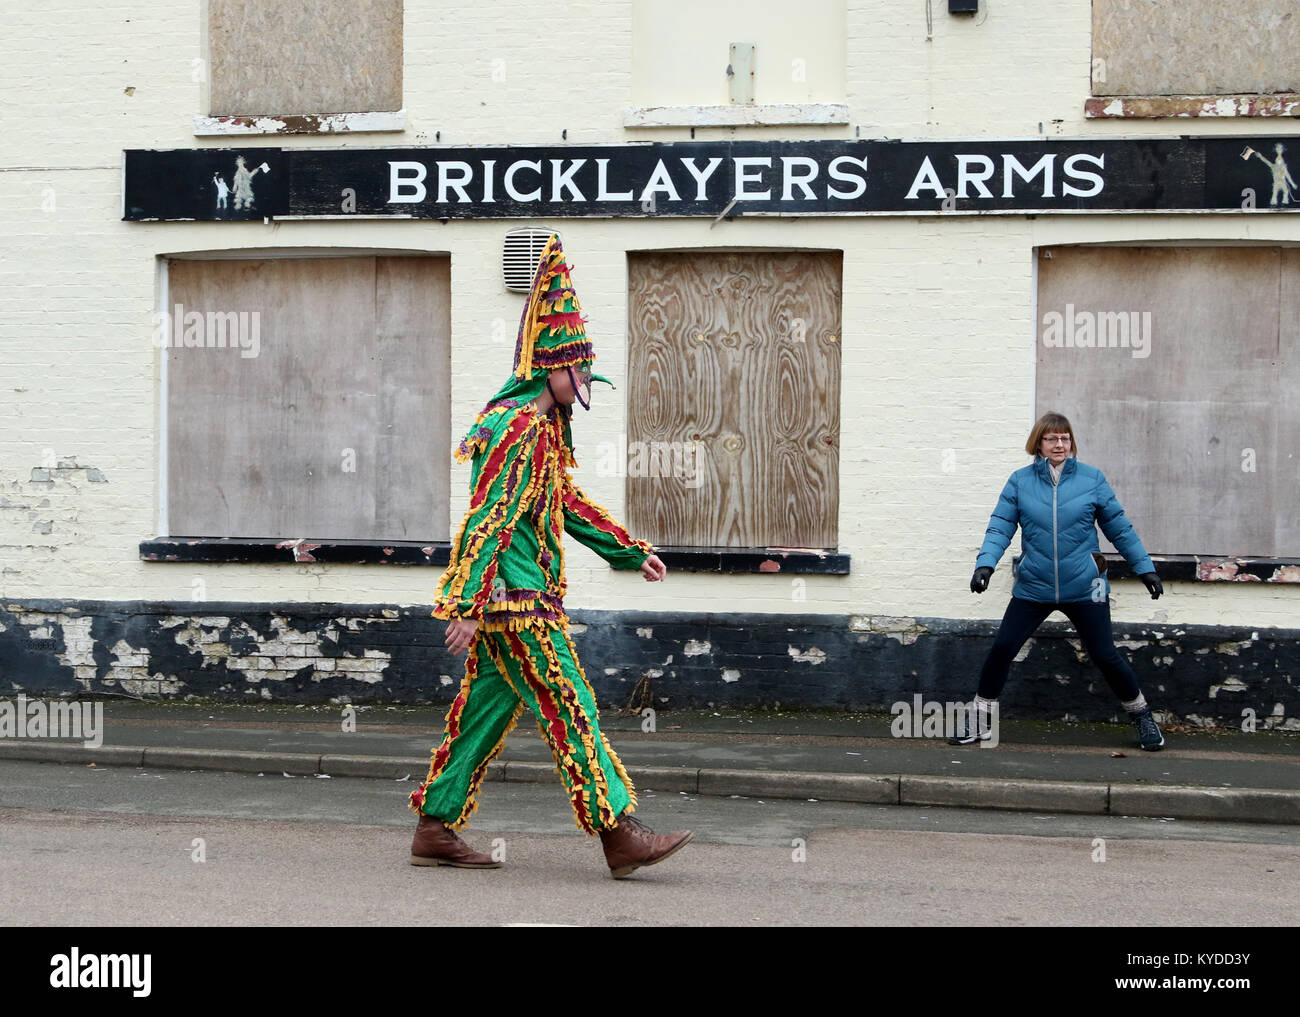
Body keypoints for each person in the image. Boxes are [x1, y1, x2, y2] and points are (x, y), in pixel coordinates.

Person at [408, 234, 693, 878]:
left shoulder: (538, 432)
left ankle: (435, 824)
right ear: (550, 368)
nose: (587, 379)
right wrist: (466, 603)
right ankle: (620, 833)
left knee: (486, 708)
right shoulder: (516, 428)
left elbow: (562, 503)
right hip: (516, 603)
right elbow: (489, 518)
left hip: (514, 598)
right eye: (579, 369)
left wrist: (627, 551)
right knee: (571, 703)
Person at [953, 411, 1166, 750]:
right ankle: (979, 721)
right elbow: (1000, 526)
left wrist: (1144, 568)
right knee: (1003, 648)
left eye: (1065, 438)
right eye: (1052, 438)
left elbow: (1119, 527)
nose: (1060, 444)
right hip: (1034, 585)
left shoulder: (1092, 479)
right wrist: (985, 565)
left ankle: (1142, 717)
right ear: (1038, 443)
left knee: (1105, 654)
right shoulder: (1020, 482)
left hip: (1085, 586)